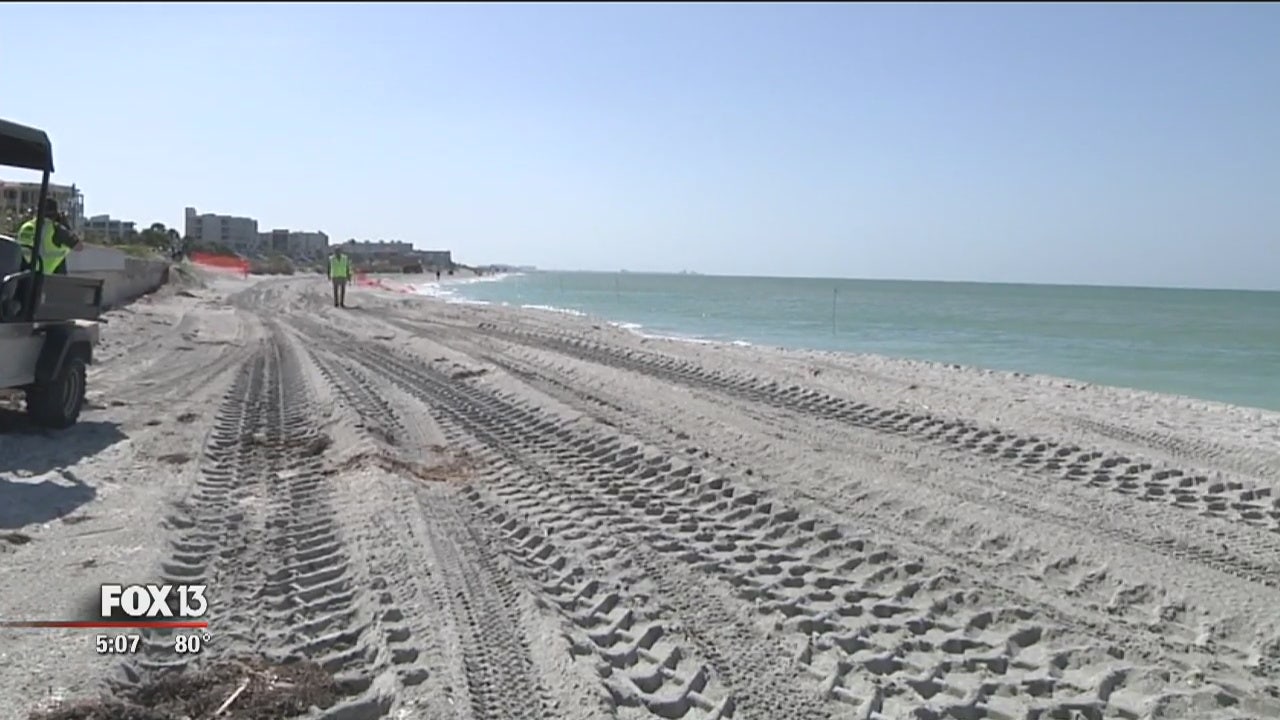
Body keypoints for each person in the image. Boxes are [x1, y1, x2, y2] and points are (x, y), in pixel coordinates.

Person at [16, 197, 81, 274]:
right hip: (49, 278)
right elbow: (78, 247)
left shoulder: (25, 227)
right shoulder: (56, 229)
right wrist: (65, 225)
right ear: (55, 214)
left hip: (24, 277)